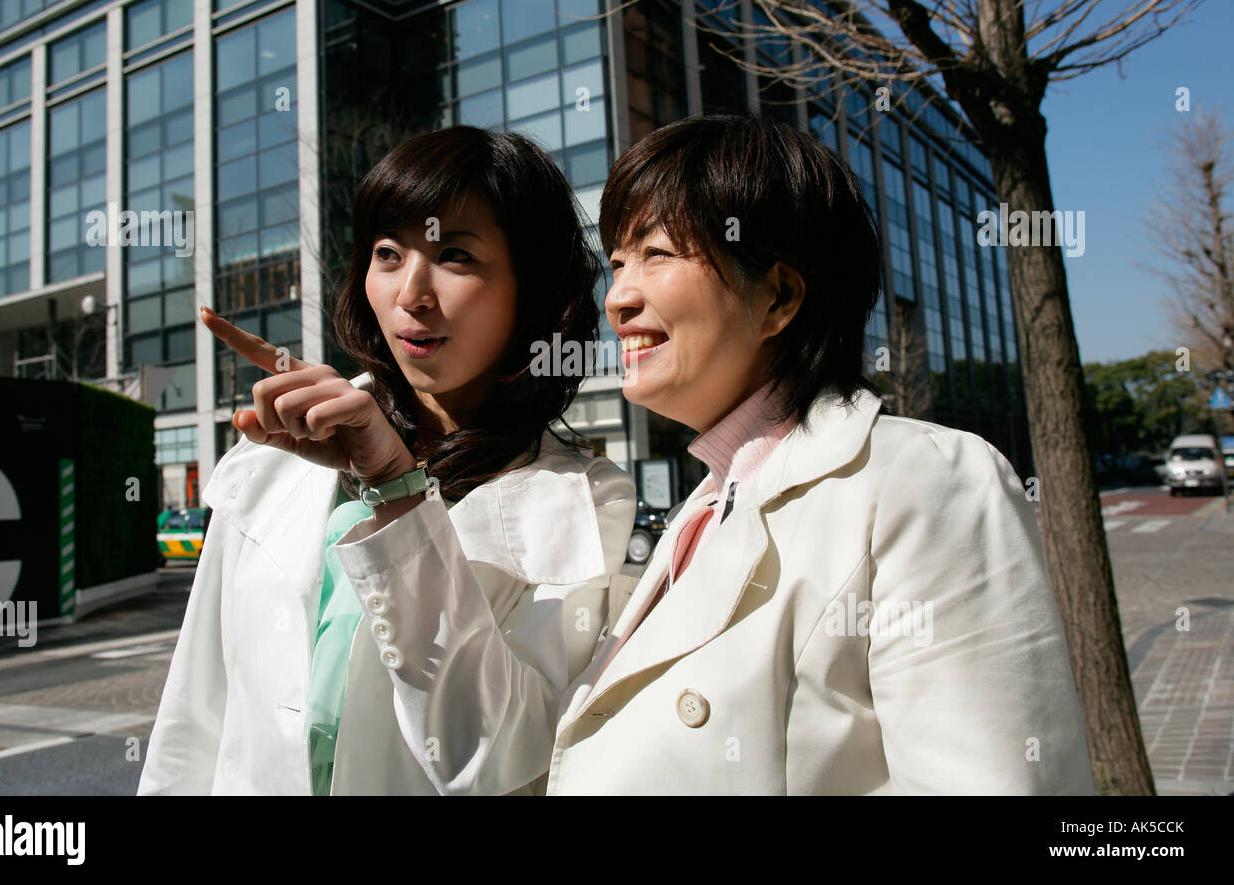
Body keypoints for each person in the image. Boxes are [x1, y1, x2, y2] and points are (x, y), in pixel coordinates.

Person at [544, 113, 1096, 793]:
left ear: (778, 295)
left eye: (657, 254)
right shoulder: (704, 506)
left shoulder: (920, 479)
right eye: (619, 262)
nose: (618, 298)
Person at [137, 125, 635, 795]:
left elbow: (498, 755)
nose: (411, 294)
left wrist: (397, 490)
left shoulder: (585, 497)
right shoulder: (274, 460)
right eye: (387, 254)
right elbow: (196, 717)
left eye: (455, 255)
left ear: (534, 290)